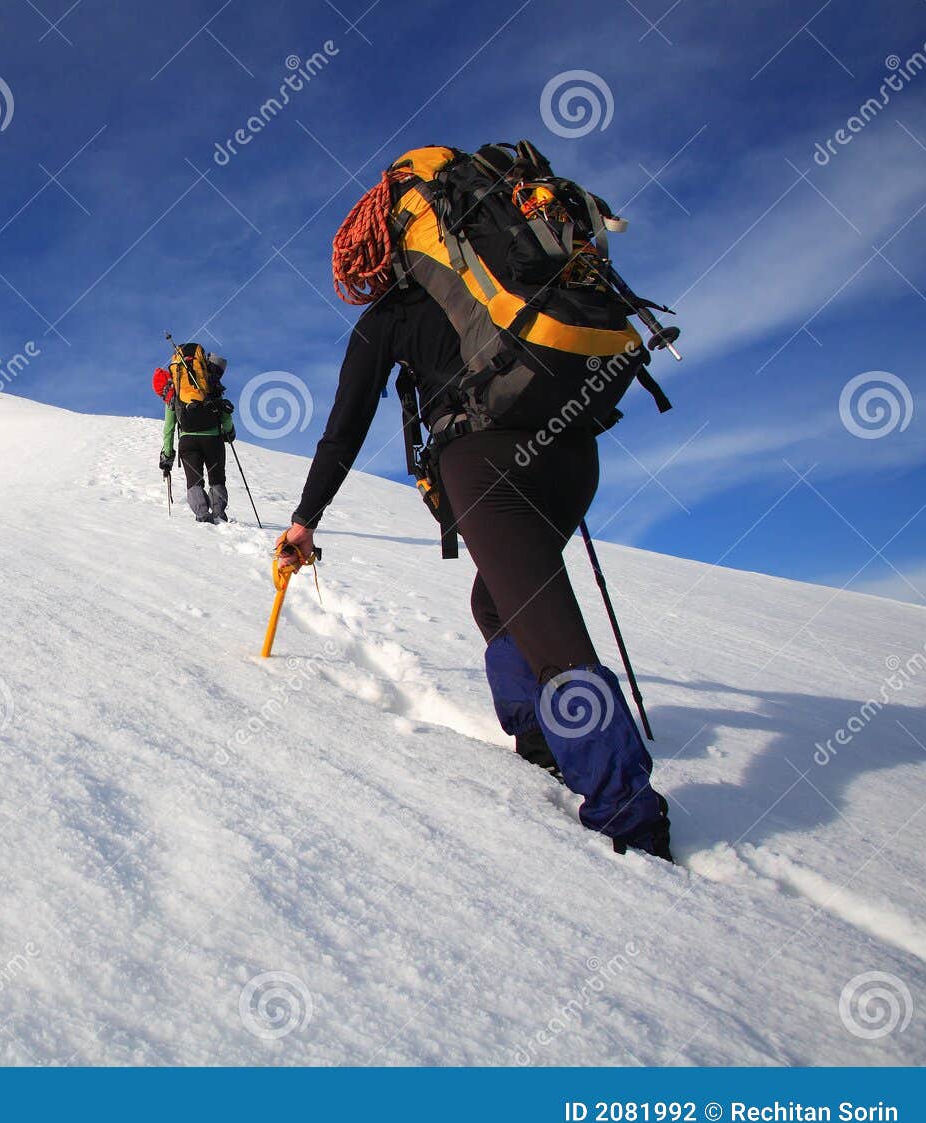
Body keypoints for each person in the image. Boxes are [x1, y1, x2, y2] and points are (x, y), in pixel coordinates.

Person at [278, 283, 672, 862]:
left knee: (551, 637)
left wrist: (305, 519)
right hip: (572, 456)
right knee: (496, 603)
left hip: (485, 459)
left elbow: (346, 427)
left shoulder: (391, 313)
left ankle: (628, 818)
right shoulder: (502, 276)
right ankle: (544, 743)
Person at [156, 356, 235, 523]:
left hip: (188, 441)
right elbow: (224, 414)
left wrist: (167, 454)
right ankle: (219, 514)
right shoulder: (210, 386)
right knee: (217, 478)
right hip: (213, 440)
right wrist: (229, 432)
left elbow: (169, 428)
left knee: (194, 481)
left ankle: (202, 516)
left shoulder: (176, 393)